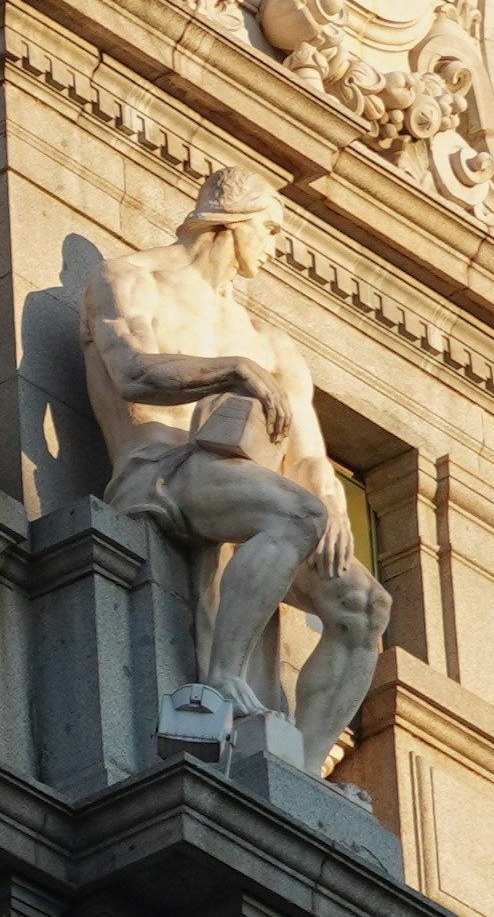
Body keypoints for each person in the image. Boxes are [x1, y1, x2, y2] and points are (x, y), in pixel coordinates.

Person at [74, 168, 390, 765]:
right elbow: (134, 373)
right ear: (231, 223)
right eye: (269, 230)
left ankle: (301, 763)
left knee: (365, 606)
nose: (272, 248)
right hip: (161, 468)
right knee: (293, 513)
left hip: (240, 485)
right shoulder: (129, 277)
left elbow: (310, 452)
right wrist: (232, 369)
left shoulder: (271, 344)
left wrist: (335, 505)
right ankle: (221, 679)